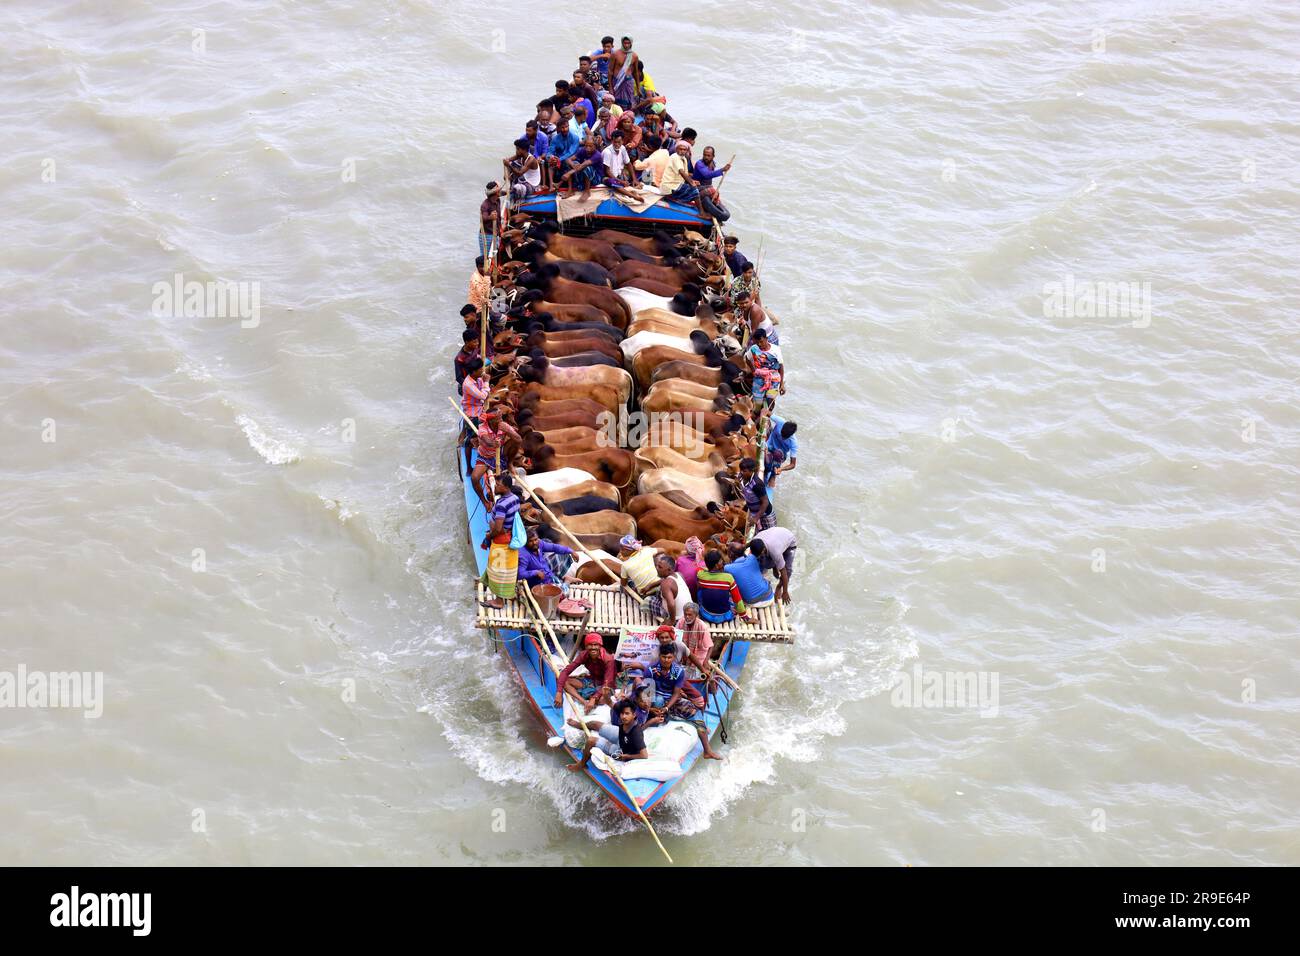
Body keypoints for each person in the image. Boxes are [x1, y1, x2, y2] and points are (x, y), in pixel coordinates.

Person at [626, 645, 722, 761]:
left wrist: (667, 708)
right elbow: (647, 693)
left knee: (695, 712)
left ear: (673, 657)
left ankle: (707, 750)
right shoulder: (651, 670)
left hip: (670, 700)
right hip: (654, 699)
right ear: (659, 657)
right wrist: (650, 709)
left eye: (669, 657)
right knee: (659, 700)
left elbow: (676, 693)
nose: (666, 660)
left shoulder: (679, 672)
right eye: (664, 657)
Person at [565, 696, 648, 772]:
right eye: (622, 713)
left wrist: (626, 756)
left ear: (634, 715)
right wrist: (606, 694)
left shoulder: (636, 733)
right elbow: (610, 703)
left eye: (627, 714)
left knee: (591, 741)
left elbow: (644, 755)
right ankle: (579, 725)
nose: (623, 717)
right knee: (595, 724)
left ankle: (582, 764)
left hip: (622, 751)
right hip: (619, 735)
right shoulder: (624, 717)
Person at [480, 472, 521, 607]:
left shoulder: (502, 504)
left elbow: (498, 528)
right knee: (508, 569)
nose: (495, 487)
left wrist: (489, 536)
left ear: (506, 487)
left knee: (498, 570)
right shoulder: (515, 498)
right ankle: (507, 594)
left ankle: (498, 601)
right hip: (510, 537)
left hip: (501, 540)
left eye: (498, 485)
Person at [554, 632, 618, 712]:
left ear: (600, 646)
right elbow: (566, 671)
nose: (593, 648)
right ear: (586, 646)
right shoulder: (583, 655)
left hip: (605, 686)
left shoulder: (608, 659)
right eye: (590, 645)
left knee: (602, 699)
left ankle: (590, 698)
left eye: (596, 645)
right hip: (591, 681)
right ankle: (584, 702)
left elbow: (607, 683)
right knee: (565, 682)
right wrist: (559, 692)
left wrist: (594, 698)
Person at [470, 409, 520, 507]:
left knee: (515, 441)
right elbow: (487, 441)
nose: (501, 420)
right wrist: (494, 443)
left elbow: (519, 439)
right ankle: (485, 502)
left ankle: (509, 463)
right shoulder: (482, 428)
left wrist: (507, 430)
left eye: (501, 417)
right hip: (485, 457)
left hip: (499, 454)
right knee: (474, 478)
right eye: (499, 418)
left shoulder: (503, 425)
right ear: (491, 421)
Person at [695, 549, 748, 624]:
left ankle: (701, 604)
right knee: (732, 597)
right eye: (721, 561)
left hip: (705, 614)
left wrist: (708, 570)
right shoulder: (728, 578)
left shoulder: (701, 575)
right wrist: (745, 616)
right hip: (724, 616)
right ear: (716, 565)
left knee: (700, 590)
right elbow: (737, 600)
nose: (723, 562)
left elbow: (698, 568)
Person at [750, 526, 797, 604]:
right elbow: (748, 545)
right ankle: (774, 565)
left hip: (789, 542)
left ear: (764, 549)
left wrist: (785, 592)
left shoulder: (775, 551)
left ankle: (779, 587)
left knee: (788, 570)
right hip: (776, 536)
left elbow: (784, 572)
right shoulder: (755, 540)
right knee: (763, 562)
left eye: (760, 553)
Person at [724, 541, 775, 607]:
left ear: (730, 555)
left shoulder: (728, 568)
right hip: (769, 597)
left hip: (752, 602)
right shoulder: (752, 558)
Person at [646, 553, 690, 623]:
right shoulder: (679, 574)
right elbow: (663, 580)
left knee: (647, 601)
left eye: (660, 567)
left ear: (669, 570)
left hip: (678, 618)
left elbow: (671, 604)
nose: (656, 568)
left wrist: (671, 621)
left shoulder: (666, 584)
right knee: (659, 591)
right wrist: (650, 586)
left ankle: (669, 618)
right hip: (689, 613)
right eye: (657, 566)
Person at [746, 327, 784, 409]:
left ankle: (767, 414)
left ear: (766, 339)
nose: (759, 344)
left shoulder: (776, 350)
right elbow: (747, 359)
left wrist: (782, 384)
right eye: (757, 342)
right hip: (759, 379)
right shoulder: (753, 349)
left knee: (770, 402)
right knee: (757, 404)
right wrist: (753, 371)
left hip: (773, 379)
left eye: (761, 341)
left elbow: (781, 367)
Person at [735, 456, 777, 531]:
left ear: (752, 471)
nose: (741, 472)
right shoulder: (742, 477)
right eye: (741, 470)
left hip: (765, 515)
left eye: (744, 471)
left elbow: (765, 502)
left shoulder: (756, 484)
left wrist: (756, 518)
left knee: (770, 533)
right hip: (753, 512)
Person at [675, 602, 717, 674]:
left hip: (699, 657)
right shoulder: (681, 622)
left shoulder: (702, 626)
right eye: (685, 614)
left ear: (696, 615)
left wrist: (706, 661)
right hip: (684, 656)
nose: (687, 617)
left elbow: (711, 646)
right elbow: (676, 639)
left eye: (690, 615)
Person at [692, 146, 731, 221]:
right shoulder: (699, 164)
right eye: (704, 155)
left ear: (713, 156)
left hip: (706, 187)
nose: (706, 157)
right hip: (697, 188)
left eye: (708, 155)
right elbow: (707, 175)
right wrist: (722, 169)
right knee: (712, 191)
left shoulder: (712, 163)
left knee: (715, 194)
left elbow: (710, 178)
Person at [659, 140, 699, 205]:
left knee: (696, 188)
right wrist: (692, 183)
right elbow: (681, 172)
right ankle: (701, 212)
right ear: (676, 149)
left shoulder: (684, 159)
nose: (682, 151)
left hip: (677, 184)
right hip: (669, 186)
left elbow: (685, 174)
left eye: (684, 150)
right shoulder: (675, 157)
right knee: (694, 190)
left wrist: (693, 181)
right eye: (680, 149)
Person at [765, 417, 798, 486]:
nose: (782, 438)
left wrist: (781, 469)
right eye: (781, 434)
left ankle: (773, 476)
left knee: (778, 453)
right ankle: (766, 470)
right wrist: (763, 424)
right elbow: (765, 411)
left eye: (785, 437)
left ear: (790, 435)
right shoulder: (780, 421)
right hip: (768, 446)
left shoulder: (794, 443)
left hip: (780, 455)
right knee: (767, 464)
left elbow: (793, 464)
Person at [609, 36, 639, 108]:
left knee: (629, 102)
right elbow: (610, 71)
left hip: (628, 82)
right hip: (617, 81)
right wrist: (610, 87)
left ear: (631, 43)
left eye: (628, 43)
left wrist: (638, 87)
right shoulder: (615, 54)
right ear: (622, 43)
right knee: (616, 101)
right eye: (625, 43)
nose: (626, 45)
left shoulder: (634, 56)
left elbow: (635, 72)